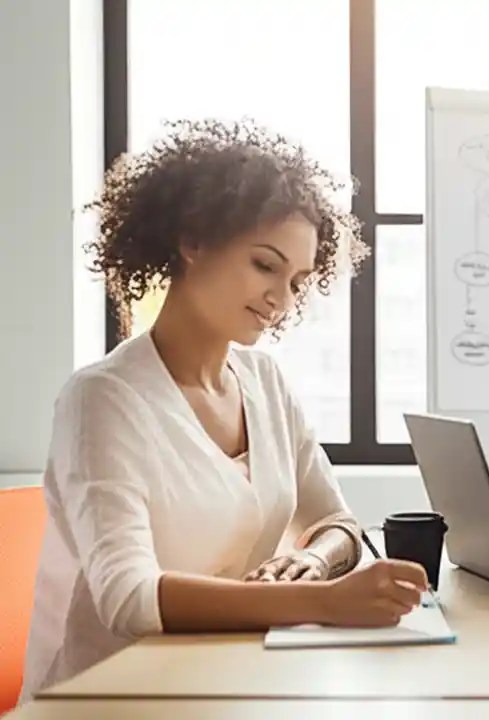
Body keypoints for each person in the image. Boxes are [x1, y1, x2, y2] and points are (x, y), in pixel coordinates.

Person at [20, 119, 428, 703]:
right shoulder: (104, 398)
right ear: (194, 241)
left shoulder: (264, 381)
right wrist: (321, 601)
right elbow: (128, 598)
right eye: (266, 266)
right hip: (111, 700)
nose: (281, 300)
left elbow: (338, 524)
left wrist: (311, 561)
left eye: (297, 280)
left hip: (230, 683)